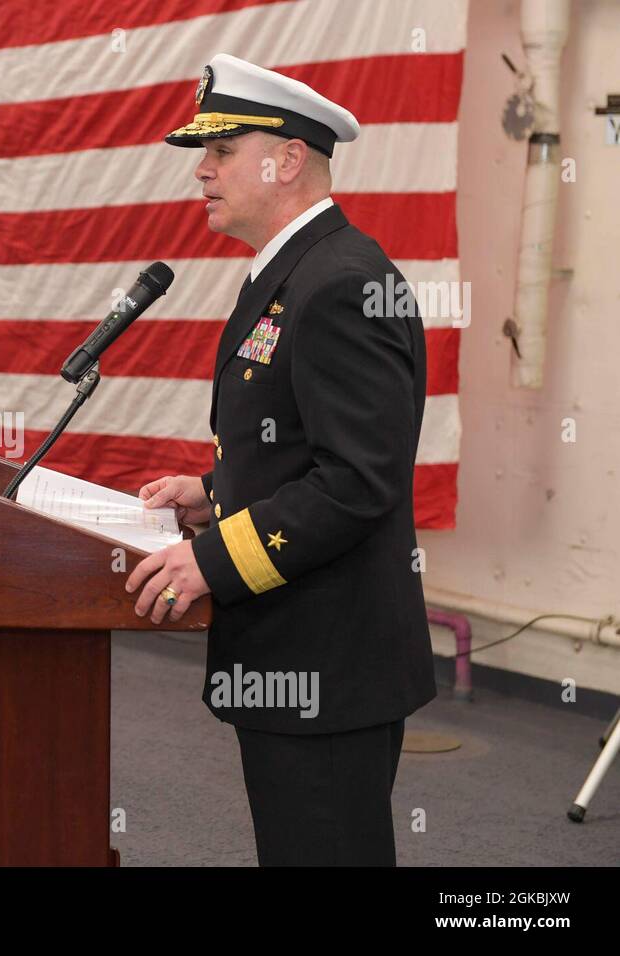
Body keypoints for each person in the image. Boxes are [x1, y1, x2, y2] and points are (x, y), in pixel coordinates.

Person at [124, 54, 436, 865]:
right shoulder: (296, 271)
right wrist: (214, 490)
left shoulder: (339, 284)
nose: (203, 170)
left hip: (329, 657)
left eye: (222, 150)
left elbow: (357, 482)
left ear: (289, 159)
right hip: (299, 646)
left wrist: (212, 560)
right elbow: (304, 444)